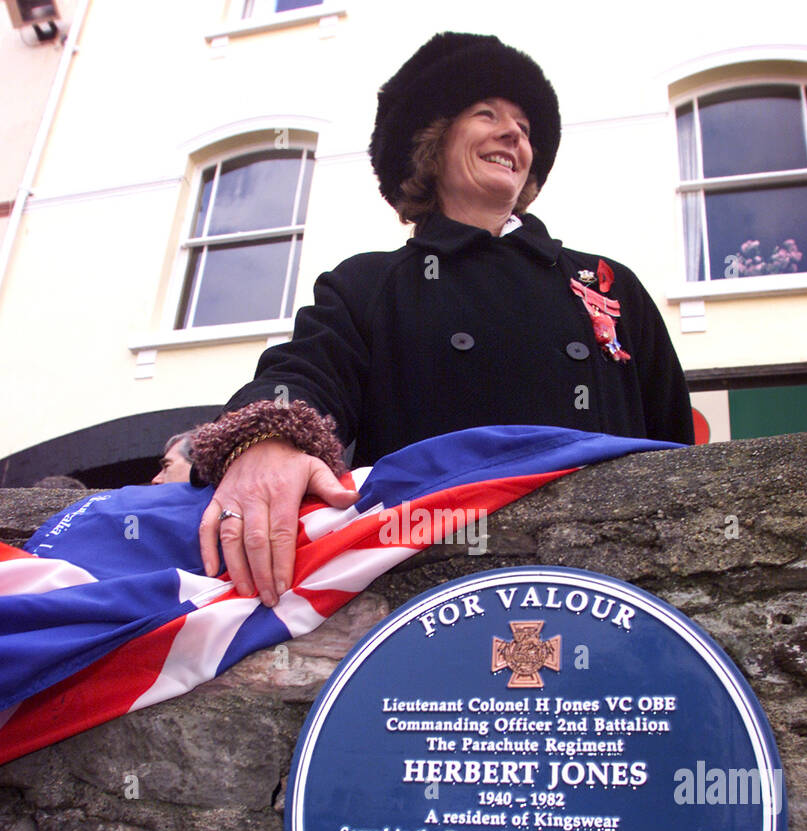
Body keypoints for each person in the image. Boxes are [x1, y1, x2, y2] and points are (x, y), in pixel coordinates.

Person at [193, 33, 694, 608]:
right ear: (432, 143)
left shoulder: (609, 284)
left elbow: (675, 453)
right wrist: (268, 438)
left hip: (606, 589)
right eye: (488, 115)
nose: (514, 135)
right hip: (430, 597)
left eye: (524, 127)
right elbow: (304, 373)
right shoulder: (368, 284)